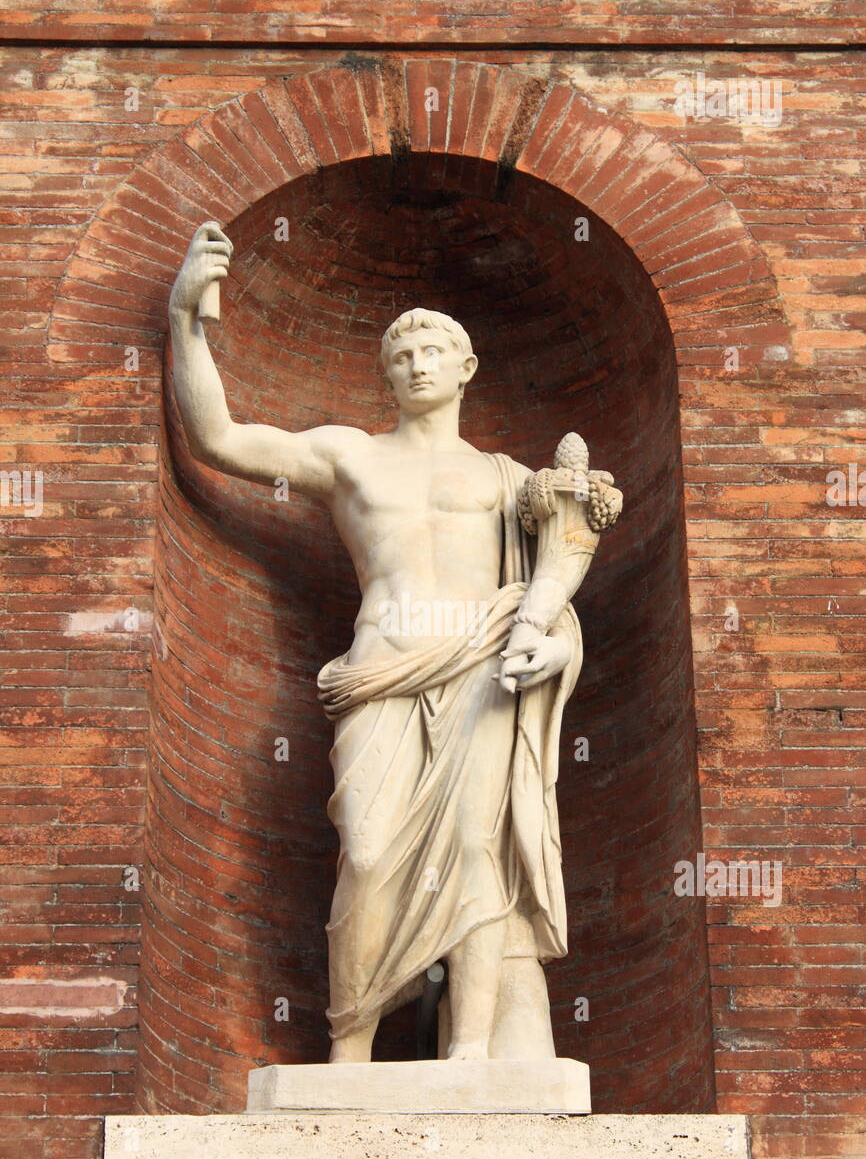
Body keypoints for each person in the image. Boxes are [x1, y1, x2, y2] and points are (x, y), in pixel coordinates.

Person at [169, 221, 620, 1064]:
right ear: (385, 373)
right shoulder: (352, 457)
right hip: (380, 671)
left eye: (434, 351)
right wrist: (186, 318)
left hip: (486, 669)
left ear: (466, 369)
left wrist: (557, 651)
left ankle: (472, 1054)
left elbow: (553, 587)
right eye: (402, 355)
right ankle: (350, 1052)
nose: (417, 364)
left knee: (477, 850)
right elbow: (220, 439)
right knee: (369, 853)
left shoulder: (509, 479)